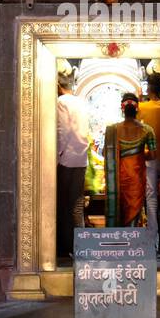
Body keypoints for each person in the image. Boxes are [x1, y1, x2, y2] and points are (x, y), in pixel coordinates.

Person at [104, 92, 156, 227]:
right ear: (137, 108)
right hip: (136, 179)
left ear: (122, 108)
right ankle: (132, 240)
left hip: (117, 179)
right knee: (134, 211)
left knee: (118, 210)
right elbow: (153, 155)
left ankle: (117, 240)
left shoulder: (113, 130)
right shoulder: (147, 130)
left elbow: (106, 153)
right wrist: (137, 155)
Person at [55, 73, 92, 257]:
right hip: (81, 157)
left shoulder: (61, 102)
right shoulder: (81, 102)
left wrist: (57, 154)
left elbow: (63, 130)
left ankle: (66, 245)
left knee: (63, 205)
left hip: (66, 158)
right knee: (77, 203)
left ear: (58, 86)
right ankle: (80, 245)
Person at [138, 71, 160, 252]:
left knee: (151, 199)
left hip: (150, 158)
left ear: (149, 87)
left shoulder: (143, 107)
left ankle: (155, 237)